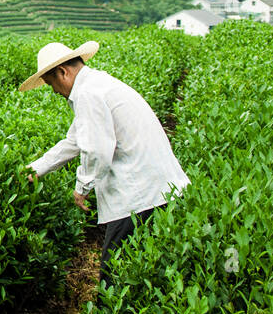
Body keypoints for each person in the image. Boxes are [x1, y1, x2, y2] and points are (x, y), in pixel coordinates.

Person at [19, 40, 189, 286]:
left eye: (50, 83)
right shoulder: (97, 85)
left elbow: (96, 150)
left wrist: (82, 187)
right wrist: (36, 168)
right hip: (157, 189)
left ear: (62, 72)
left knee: (115, 276)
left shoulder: (88, 94)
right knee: (147, 269)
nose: (54, 91)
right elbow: (75, 140)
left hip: (138, 195)